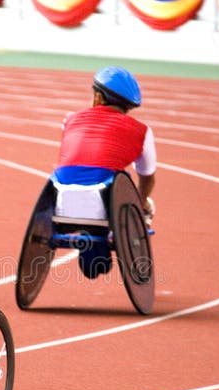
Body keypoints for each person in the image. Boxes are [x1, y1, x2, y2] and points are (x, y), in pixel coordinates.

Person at [53, 65, 157, 278]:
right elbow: (147, 177)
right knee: (123, 179)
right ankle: (122, 226)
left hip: (62, 201)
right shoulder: (143, 132)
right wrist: (141, 202)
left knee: (97, 175)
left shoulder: (70, 120)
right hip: (105, 206)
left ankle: (92, 244)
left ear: (98, 97)